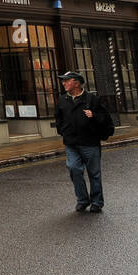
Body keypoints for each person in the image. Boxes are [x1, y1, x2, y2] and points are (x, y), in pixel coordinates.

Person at [55, 70, 112, 213]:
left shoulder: (92, 99)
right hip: (71, 143)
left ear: (77, 83)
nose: (63, 83)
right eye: (63, 81)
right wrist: (63, 131)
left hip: (90, 143)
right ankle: (82, 200)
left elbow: (105, 119)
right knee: (74, 169)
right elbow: (58, 119)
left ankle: (97, 202)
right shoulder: (62, 100)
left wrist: (94, 115)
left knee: (94, 173)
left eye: (66, 80)